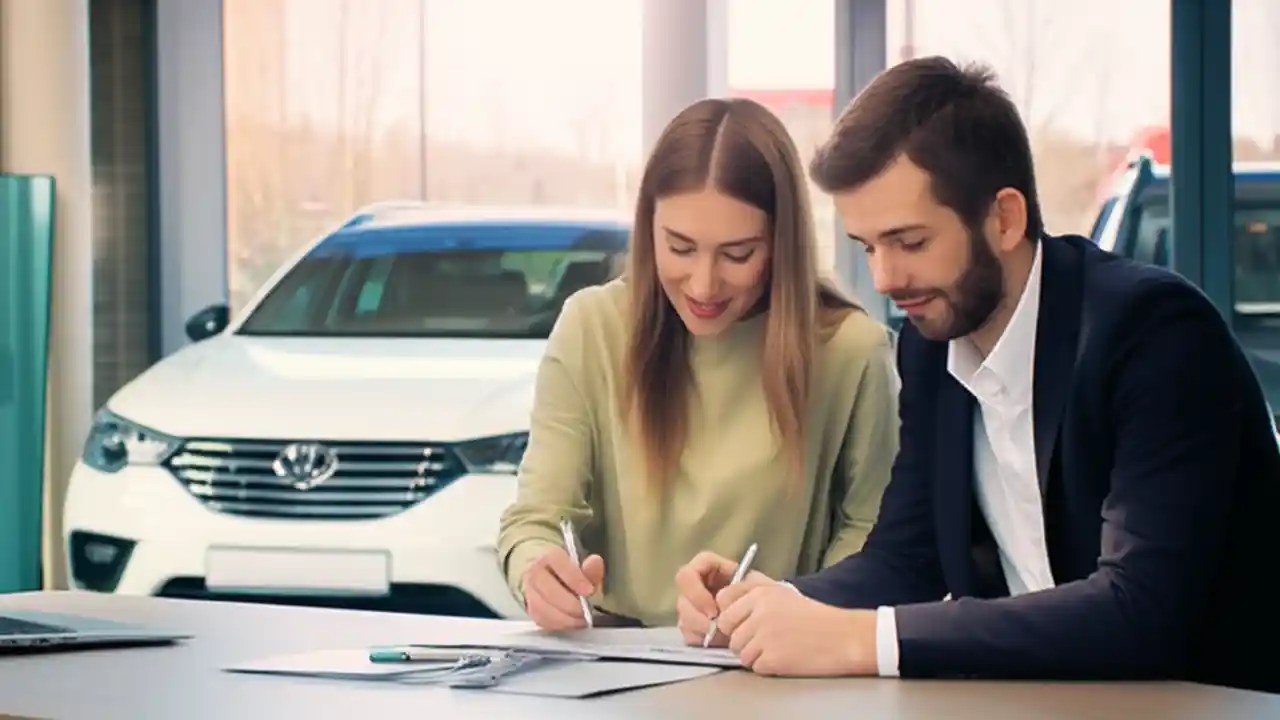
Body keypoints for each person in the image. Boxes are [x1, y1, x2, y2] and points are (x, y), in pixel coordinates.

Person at [674, 57, 1280, 693]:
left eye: (909, 242)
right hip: (1056, 703)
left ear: (1006, 219)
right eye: (868, 247)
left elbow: (1142, 609)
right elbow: (908, 560)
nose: (884, 279)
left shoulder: (1154, 334)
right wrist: (767, 604)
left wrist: (859, 639)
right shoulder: (931, 348)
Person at [496, 97, 900, 629]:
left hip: (778, 660)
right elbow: (535, 520)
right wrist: (535, 570)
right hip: (616, 659)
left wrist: (790, 610)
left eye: (738, 255)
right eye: (680, 248)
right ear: (649, 229)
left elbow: (873, 538)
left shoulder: (850, 351)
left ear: (781, 244)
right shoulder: (592, 326)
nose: (704, 285)